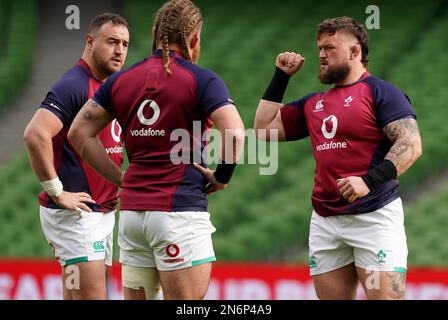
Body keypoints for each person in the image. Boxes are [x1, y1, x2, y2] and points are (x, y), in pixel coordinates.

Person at [68, 0, 245, 300]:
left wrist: (122, 179)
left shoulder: (122, 79)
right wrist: (222, 176)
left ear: (155, 33)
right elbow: (236, 133)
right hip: (178, 214)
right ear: (194, 39)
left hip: (134, 216)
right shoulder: (202, 79)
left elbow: (78, 132)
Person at [254, 16, 422, 300]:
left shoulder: (381, 92)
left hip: (374, 215)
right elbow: (263, 129)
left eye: (330, 47)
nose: (321, 54)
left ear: (355, 52)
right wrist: (281, 76)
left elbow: (411, 144)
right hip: (325, 220)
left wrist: (368, 181)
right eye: (320, 47)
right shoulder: (313, 103)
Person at [23, 13, 129, 300]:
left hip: (102, 211)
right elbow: (35, 134)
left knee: (78, 295)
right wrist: (58, 192)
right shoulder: (75, 84)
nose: (120, 50)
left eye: (125, 44)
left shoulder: (111, 87)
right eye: (112, 42)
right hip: (78, 215)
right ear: (90, 42)